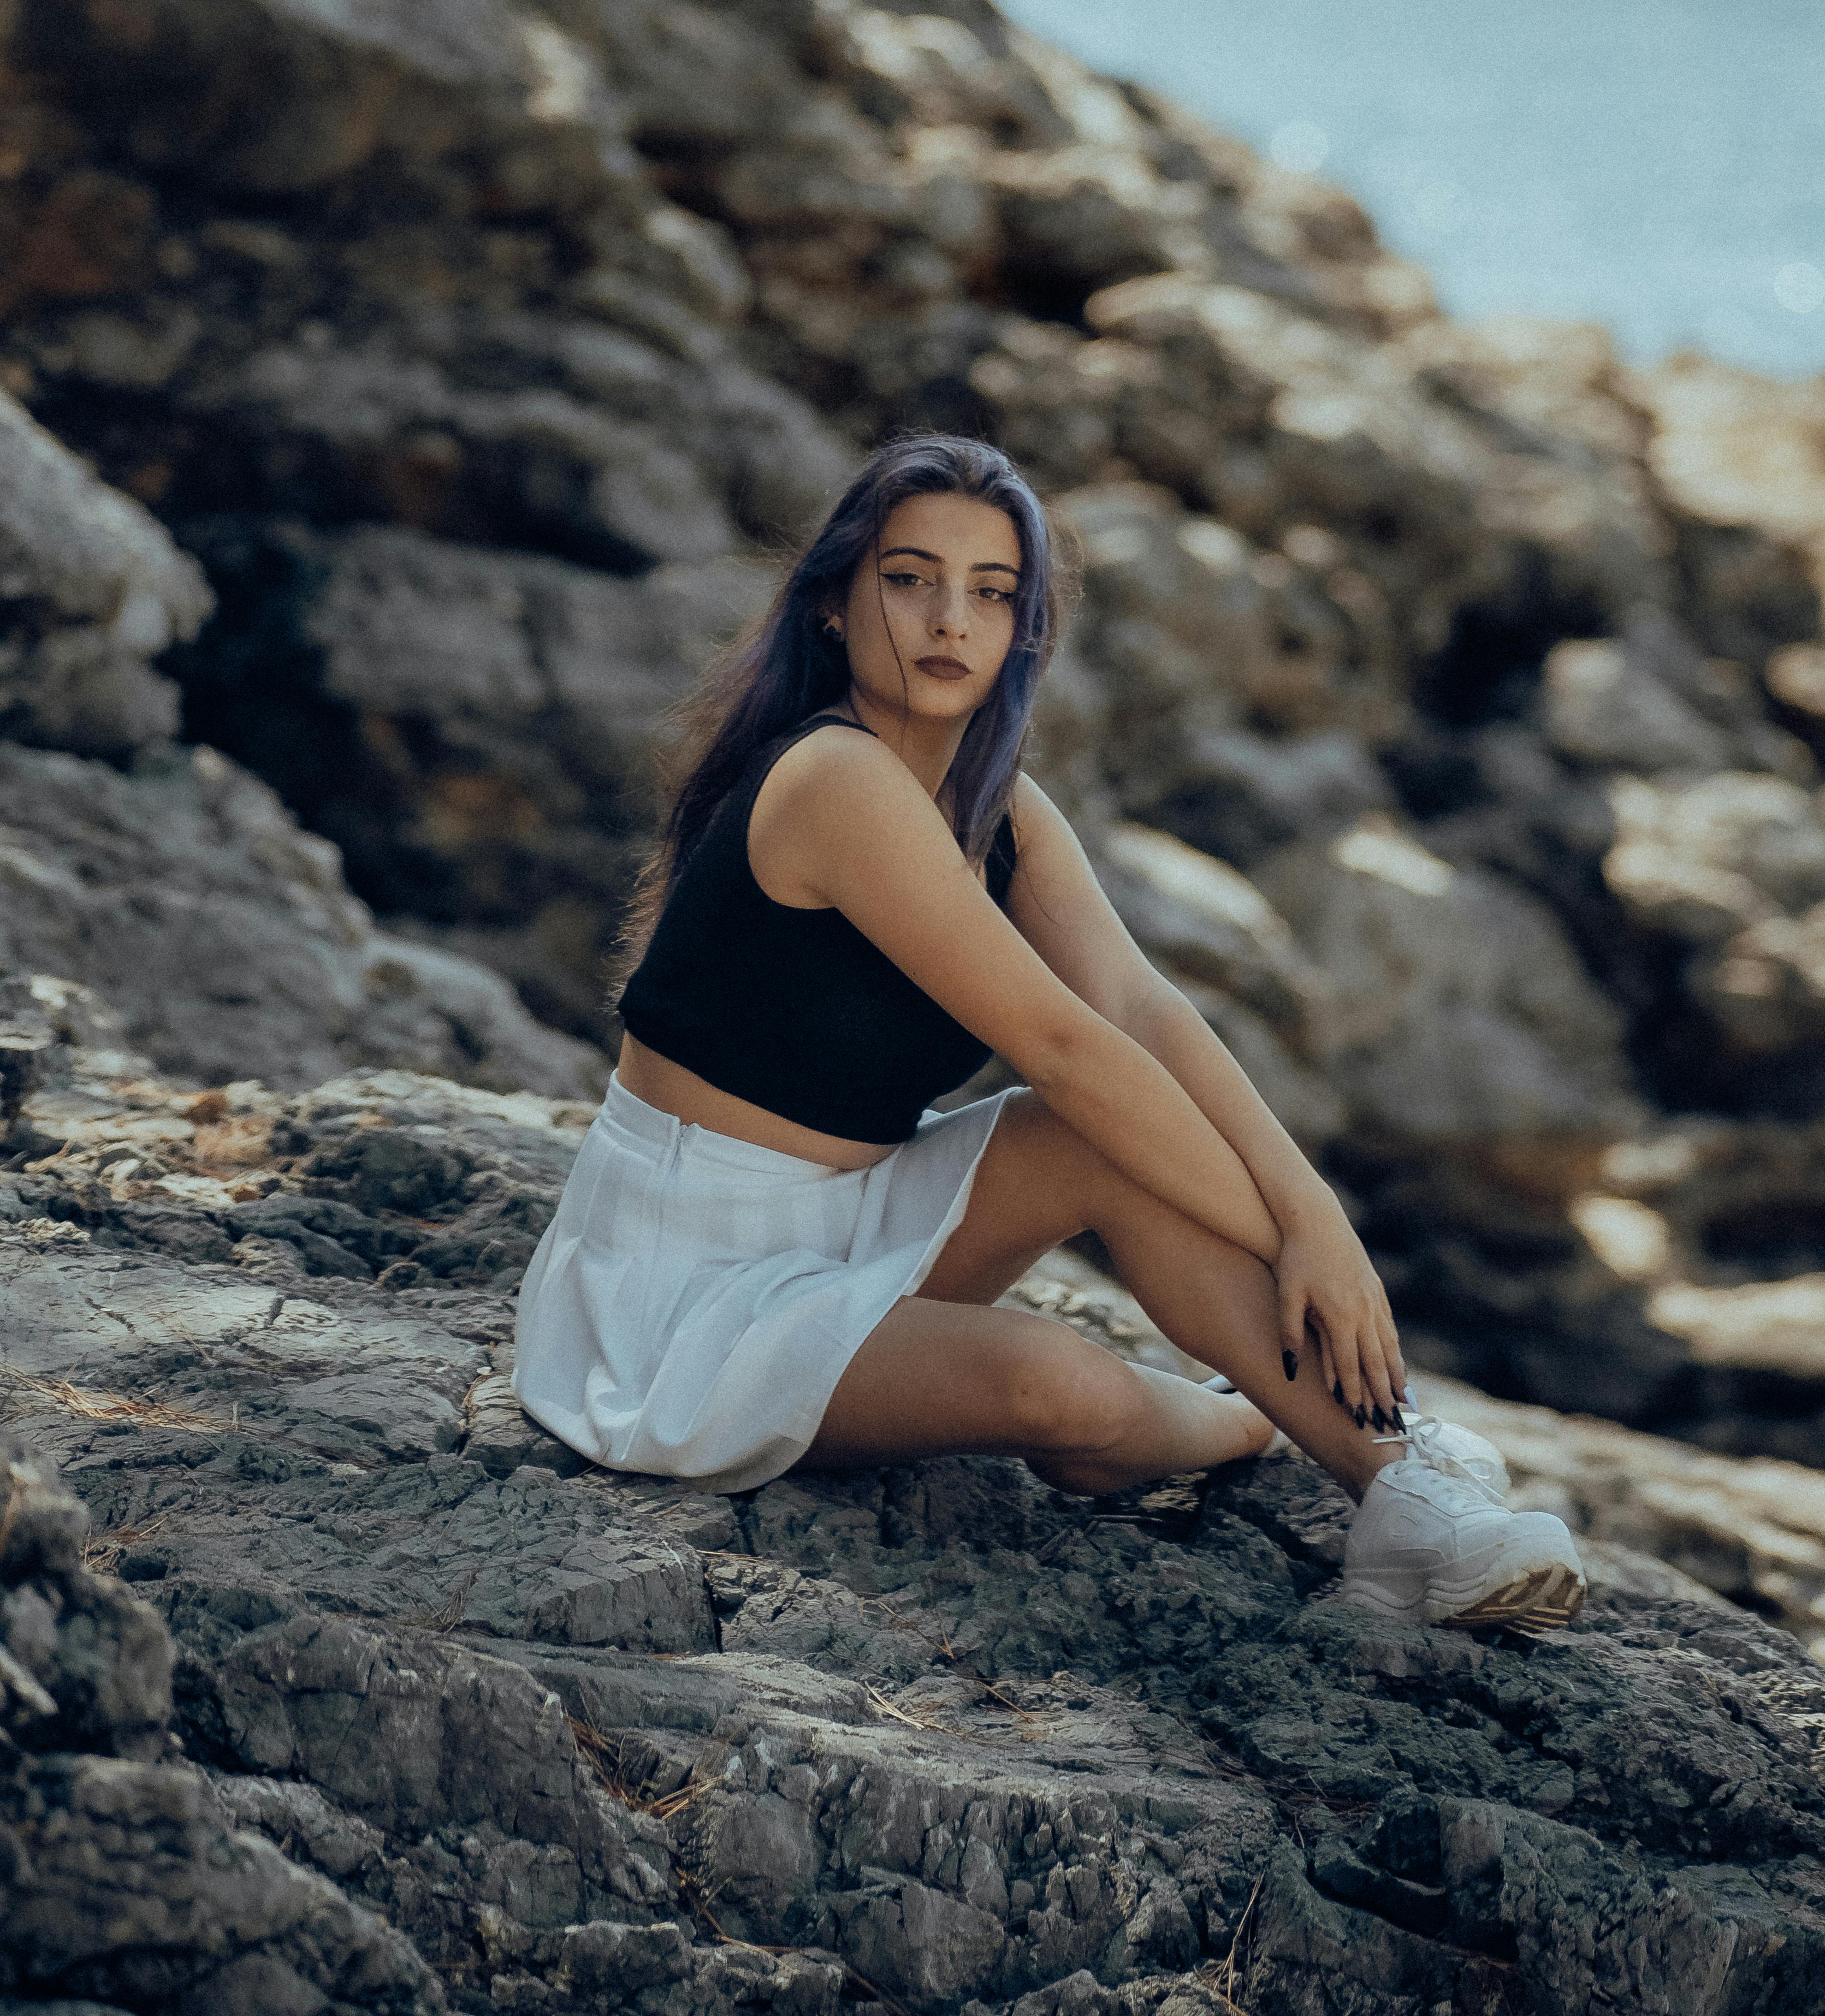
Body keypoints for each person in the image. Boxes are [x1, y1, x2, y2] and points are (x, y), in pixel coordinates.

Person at [514, 435, 1586, 1635]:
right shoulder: (834, 779)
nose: (948, 621)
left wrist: (1318, 1223)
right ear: (833, 604)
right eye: (909, 579)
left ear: (1025, 631)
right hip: (681, 1295)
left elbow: (1142, 1009)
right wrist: (1296, 1252)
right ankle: (1255, 1416)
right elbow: (1070, 1048)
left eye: (991, 593)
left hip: (856, 1221)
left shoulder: (1001, 811)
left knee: (1086, 1146)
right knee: (1060, 1385)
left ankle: (1399, 1491)